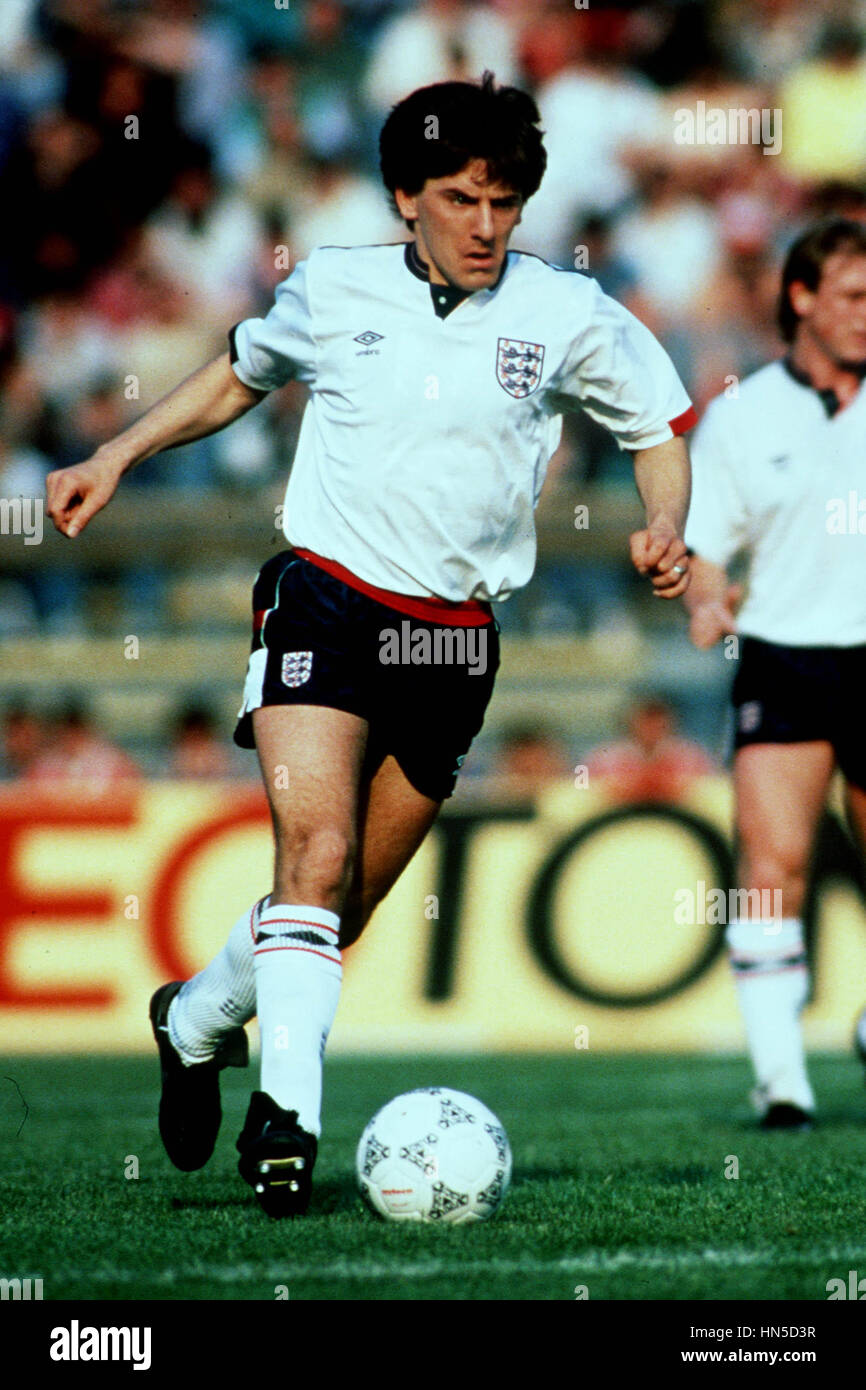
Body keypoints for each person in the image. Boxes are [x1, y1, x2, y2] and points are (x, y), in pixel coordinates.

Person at [46, 73, 694, 1218]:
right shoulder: (332, 289)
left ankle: (192, 1019)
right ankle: (288, 1118)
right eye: (459, 200)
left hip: (453, 644)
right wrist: (118, 454)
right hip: (325, 604)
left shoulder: (563, 313)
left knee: (334, 910)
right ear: (405, 198)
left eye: (503, 202)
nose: (485, 226)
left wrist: (664, 522)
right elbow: (235, 378)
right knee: (313, 853)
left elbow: (656, 426)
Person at [683, 217, 866, 1130]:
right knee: (771, 865)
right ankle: (782, 1078)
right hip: (787, 654)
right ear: (801, 298)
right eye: (852, 298)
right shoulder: (744, 414)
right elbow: (708, 548)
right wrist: (705, 602)